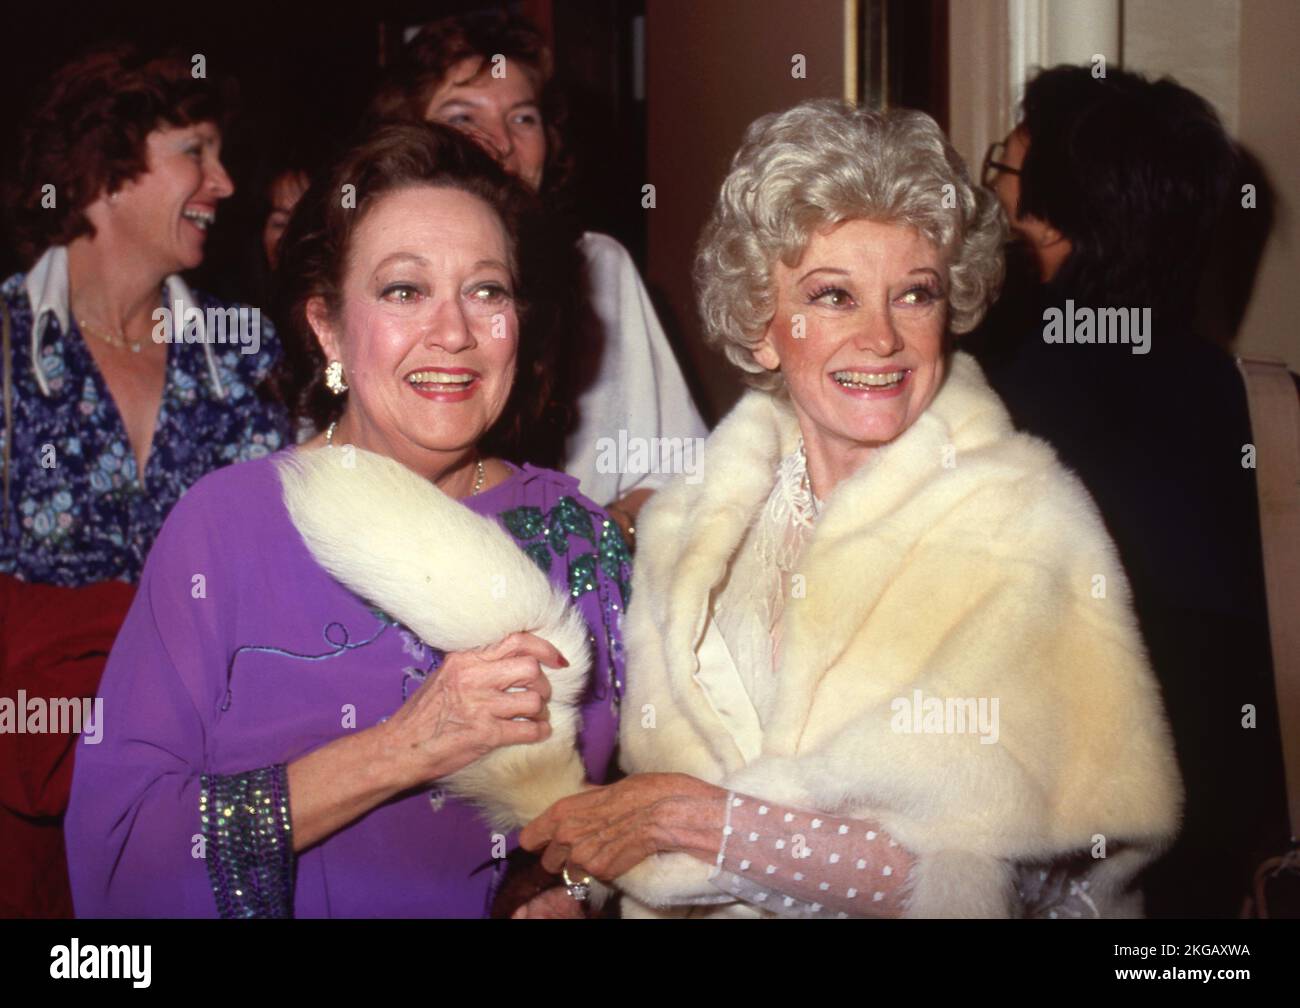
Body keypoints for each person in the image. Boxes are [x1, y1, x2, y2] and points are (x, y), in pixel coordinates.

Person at [521, 99, 1182, 919]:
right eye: (833, 297)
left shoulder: (1021, 522)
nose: (882, 339)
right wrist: (586, 891)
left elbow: (1042, 884)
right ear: (763, 327)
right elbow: (647, 812)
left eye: (915, 294)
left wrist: (710, 830)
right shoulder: (686, 527)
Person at [64, 122, 629, 919]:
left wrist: (564, 887)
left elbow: (638, 812)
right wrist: (404, 748)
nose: (454, 332)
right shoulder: (226, 528)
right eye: (404, 290)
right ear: (328, 326)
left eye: (487, 290)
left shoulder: (578, 536)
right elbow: (116, 859)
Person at [969, 65, 1289, 917]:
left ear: (1054, 225)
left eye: (1004, 171)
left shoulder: (976, 401)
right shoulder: (1256, 398)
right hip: (1211, 880)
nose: (988, 188)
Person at [0, 44, 288, 918]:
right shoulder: (8, 347)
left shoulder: (245, 358)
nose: (226, 181)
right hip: (25, 809)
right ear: (107, 167)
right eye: (196, 150)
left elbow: (279, 575)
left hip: (206, 783)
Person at [369, 10, 708, 542]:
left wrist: (595, 538)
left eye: (523, 118)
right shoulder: (374, 278)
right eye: (463, 116)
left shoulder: (601, 267)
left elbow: (684, 469)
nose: (500, 143)